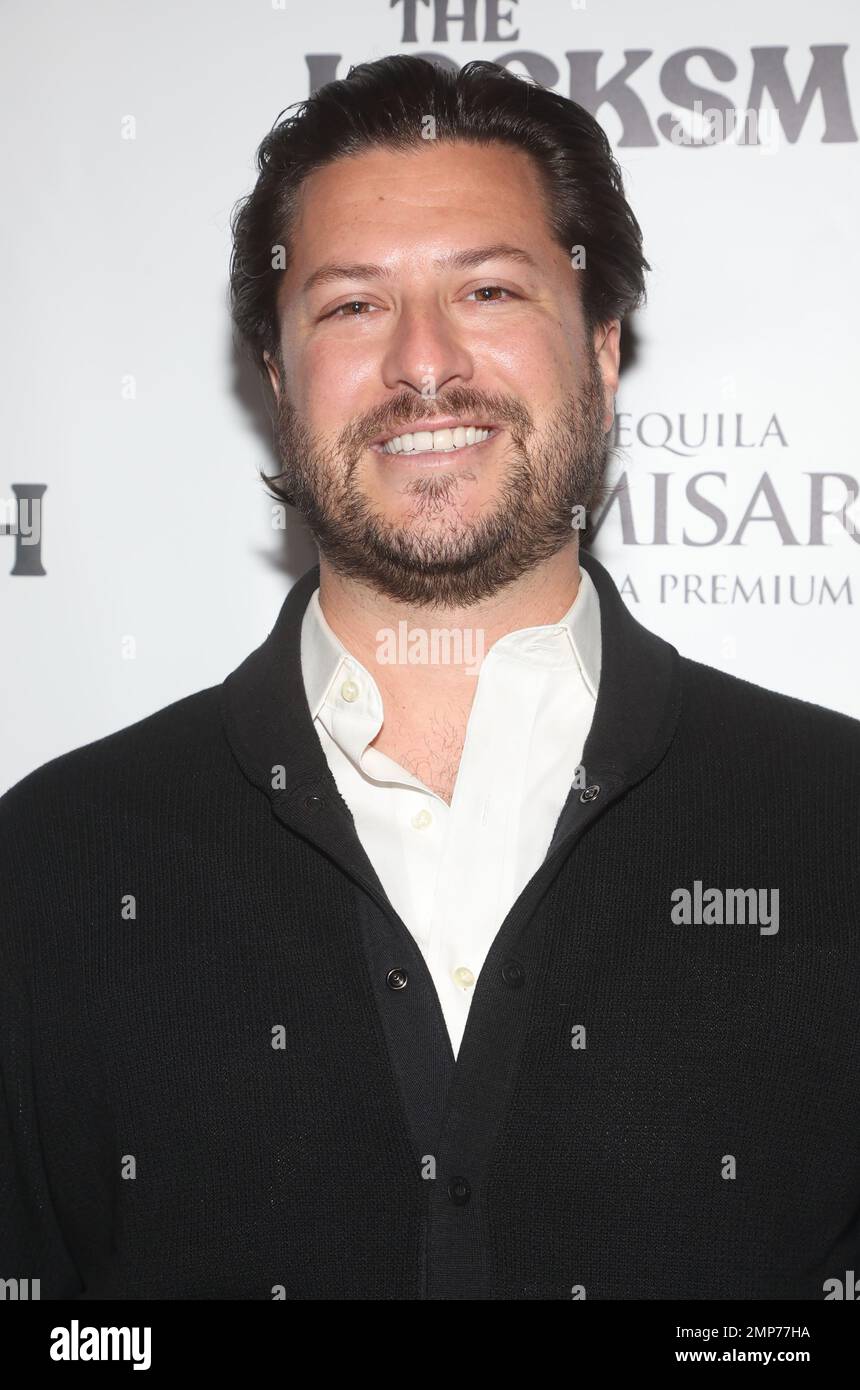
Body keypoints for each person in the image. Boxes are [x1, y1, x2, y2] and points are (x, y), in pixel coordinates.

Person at [1, 56, 858, 1301]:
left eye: (491, 289)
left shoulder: (833, 823)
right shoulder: (56, 863)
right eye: (351, 306)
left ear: (604, 348)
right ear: (276, 376)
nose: (422, 364)